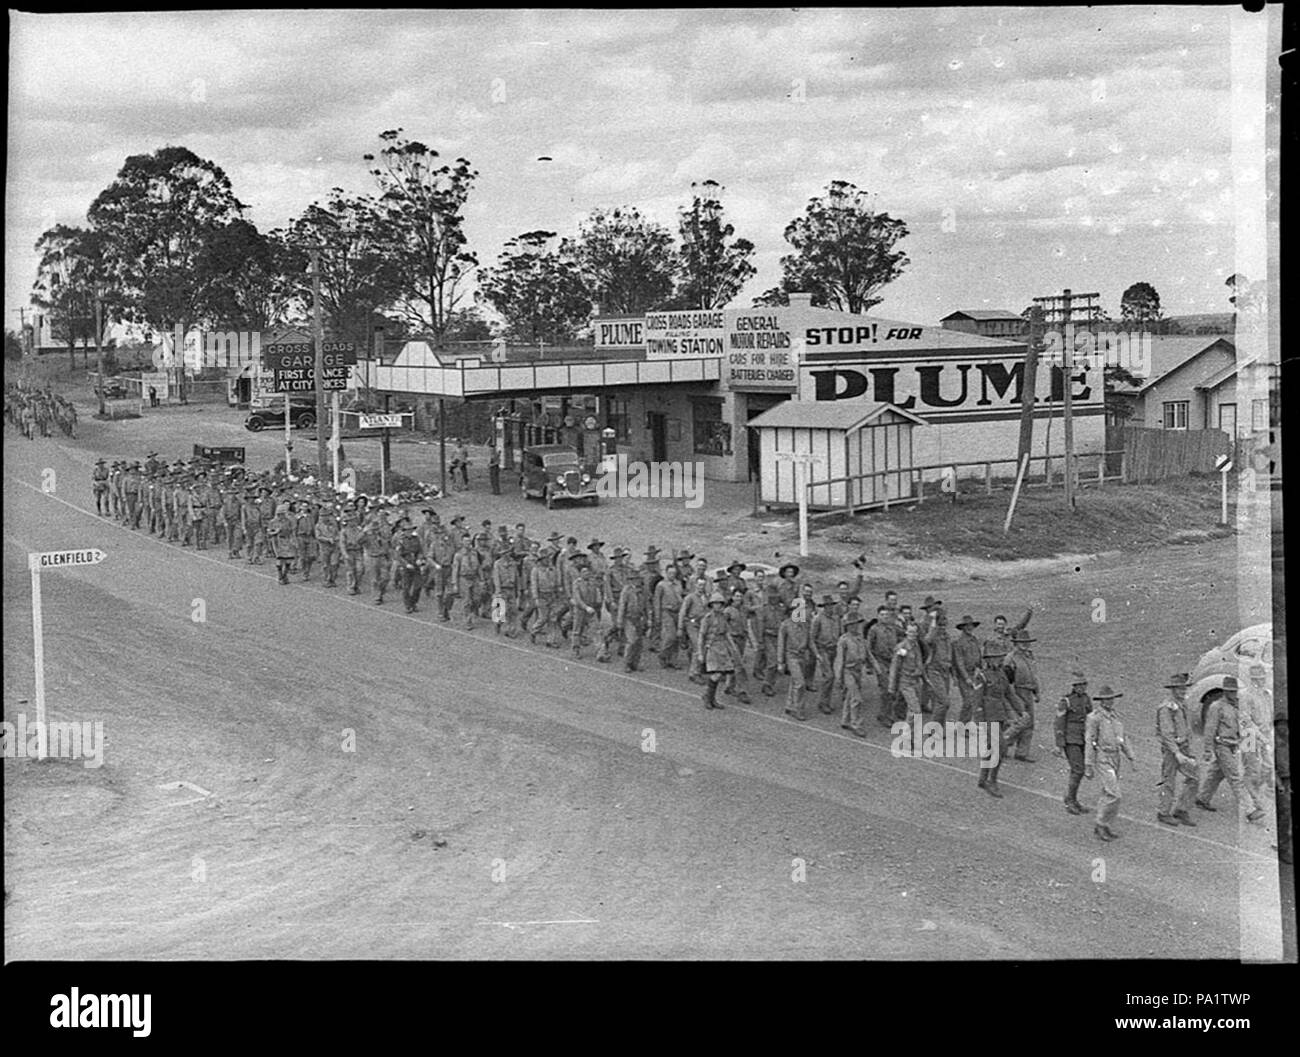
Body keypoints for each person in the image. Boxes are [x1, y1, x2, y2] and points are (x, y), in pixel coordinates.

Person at [1196, 676, 1267, 822]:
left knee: (1216, 773)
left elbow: (1248, 724)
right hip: (1222, 745)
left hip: (1233, 745)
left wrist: (1261, 738)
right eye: (1229, 691)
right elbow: (1210, 729)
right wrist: (1208, 750)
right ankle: (1250, 810)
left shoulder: (1238, 706)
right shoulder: (1217, 707)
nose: (1232, 694)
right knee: (1236, 778)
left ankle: (1202, 798)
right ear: (1224, 691)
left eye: (1234, 691)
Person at [1084, 685, 1136, 841]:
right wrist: (1088, 764)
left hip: (1115, 757)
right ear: (1101, 701)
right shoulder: (1094, 718)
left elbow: (1123, 738)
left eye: (1111, 698)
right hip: (1103, 757)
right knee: (1114, 794)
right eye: (1106, 699)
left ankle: (1103, 825)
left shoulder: (1115, 716)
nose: (1109, 701)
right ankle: (1101, 823)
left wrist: (1131, 756)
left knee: (1108, 793)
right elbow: (1090, 740)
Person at [974, 641, 1024, 798]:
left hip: (999, 716)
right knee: (1001, 749)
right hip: (988, 718)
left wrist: (1021, 711)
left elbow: (1009, 694)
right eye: (996, 658)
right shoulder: (981, 676)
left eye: (1000, 657)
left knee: (991, 747)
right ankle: (992, 781)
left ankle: (983, 778)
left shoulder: (1001, 674)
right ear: (988, 660)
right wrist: (980, 721)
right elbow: (976, 701)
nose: (1000, 660)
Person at [1154, 673, 1199, 827]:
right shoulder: (1166, 708)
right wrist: (1177, 753)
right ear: (1172, 690)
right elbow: (1167, 734)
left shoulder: (1182, 705)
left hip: (1184, 748)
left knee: (1194, 778)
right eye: (1179, 688)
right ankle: (1163, 812)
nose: (1182, 690)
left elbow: (1187, 729)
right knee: (1169, 781)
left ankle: (1181, 809)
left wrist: (1189, 751)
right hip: (1172, 750)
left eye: (1184, 687)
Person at [1053, 670, 1093, 815]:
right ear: (1074, 686)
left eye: (1084, 684)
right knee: (1078, 769)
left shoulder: (1086, 699)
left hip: (1083, 738)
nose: (1082, 687)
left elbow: (1090, 718)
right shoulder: (1066, 701)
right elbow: (1059, 723)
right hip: (1070, 739)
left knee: (1079, 770)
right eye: (1079, 685)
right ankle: (1070, 800)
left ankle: (1073, 799)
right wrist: (1059, 744)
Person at [1005, 629, 1040, 762]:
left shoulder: (1030, 656)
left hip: (1028, 692)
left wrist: (1037, 691)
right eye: (1022, 642)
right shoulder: (1010, 658)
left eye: (1027, 642)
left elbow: (1034, 675)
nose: (1025, 645)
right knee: (1019, 722)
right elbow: (1007, 679)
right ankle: (1002, 746)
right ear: (1016, 643)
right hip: (1017, 692)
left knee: (1029, 723)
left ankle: (1022, 752)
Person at [778, 598, 816, 722]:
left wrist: (817, 654)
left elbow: (810, 641)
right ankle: (798, 709)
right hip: (792, 657)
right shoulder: (785, 625)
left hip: (802, 657)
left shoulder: (805, 624)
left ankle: (789, 705)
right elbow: (781, 644)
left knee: (795, 682)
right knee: (800, 683)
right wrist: (780, 662)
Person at [696, 591, 734, 710]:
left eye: (720, 604)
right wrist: (700, 653)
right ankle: (708, 697)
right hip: (711, 647)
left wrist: (733, 648)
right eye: (715, 603)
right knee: (716, 674)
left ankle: (711, 698)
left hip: (722, 647)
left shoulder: (723, 617)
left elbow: (727, 633)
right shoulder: (707, 618)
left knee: (721, 673)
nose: (718, 606)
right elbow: (701, 636)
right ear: (711, 605)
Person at [835, 612, 870, 737]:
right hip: (847, 671)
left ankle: (845, 720)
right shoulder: (843, 640)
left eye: (857, 624)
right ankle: (856, 724)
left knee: (850, 696)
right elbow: (839, 660)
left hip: (858, 671)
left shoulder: (861, 639)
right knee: (856, 698)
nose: (855, 626)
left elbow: (869, 655)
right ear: (847, 626)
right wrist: (838, 677)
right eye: (852, 624)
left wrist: (877, 669)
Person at [867, 605, 900, 727]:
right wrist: (872, 665)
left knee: (893, 689)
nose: (885, 617)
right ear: (877, 616)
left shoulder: (893, 629)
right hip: (880, 661)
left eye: (887, 615)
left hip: (892, 662)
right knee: (886, 689)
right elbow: (869, 648)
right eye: (882, 615)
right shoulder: (874, 630)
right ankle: (884, 715)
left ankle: (886, 713)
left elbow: (903, 638)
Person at [616, 567, 649, 673]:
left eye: (638, 579)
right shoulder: (627, 590)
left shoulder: (643, 590)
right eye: (634, 579)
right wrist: (620, 620)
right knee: (631, 641)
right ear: (631, 580)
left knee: (639, 642)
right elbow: (622, 605)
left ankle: (635, 662)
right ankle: (626, 663)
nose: (637, 581)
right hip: (629, 618)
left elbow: (646, 605)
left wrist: (647, 618)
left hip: (639, 618)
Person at [653, 564, 685, 670]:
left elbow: (681, 597)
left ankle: (673, 660)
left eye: (674, 573)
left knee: (677, 638)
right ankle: (663, 655)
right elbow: (656, 601)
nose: (672, 575)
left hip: (678, 612)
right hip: (666, 612)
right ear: (666, 573)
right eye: (670, 573)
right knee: (670, 636)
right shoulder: (661, 585)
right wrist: (657, 616)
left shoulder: (678, 584)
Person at [951, 615, 983, 723]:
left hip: (975, 674)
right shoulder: (958, 643)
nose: (970, 628)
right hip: (964, 676)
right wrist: (966, 678)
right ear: (963, 628)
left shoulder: (974, 640)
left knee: (974, 701)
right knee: (968, 701)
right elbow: (959, 662)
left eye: (971, 626)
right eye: (967, 626)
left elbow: (979, 656)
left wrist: (979, 668)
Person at [569, 559, 602, 657]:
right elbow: (577, 599)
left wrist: (597, 601)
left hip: (591, 609)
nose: (586, 573)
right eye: (584, 572)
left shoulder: (592, 582)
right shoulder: (577, 583)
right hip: (580, 610)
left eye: (587, 571)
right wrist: (585, 607)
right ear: (580, 573)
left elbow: (596, 593)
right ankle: (575, 650)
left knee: (596, 629)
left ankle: (600, 652)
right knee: (577, 630)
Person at [392, 518, 425, 613]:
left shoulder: (416, 539)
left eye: (411, 530)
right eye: (408, 530)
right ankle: (408, 605)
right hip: (405, 565)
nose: (410, 532)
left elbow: (420, 551)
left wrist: (419, 558)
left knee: (418, 586)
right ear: (404, 531)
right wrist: (406, 564)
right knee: (406, 587)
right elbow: (398, 555)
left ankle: (414, 602)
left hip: (415, 564)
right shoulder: (401, 540)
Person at [361, 509, 393, 606]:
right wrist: (365, 533)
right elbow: (359, 541)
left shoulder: (384, 531)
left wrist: (388, 557)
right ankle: (377, 596)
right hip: (372, 557)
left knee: (386, 577)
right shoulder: (367, 533)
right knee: (374, 579)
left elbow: (388, 543)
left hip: (383, 556)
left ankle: (381, 591)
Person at [266, 503, 297, 585]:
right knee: (280, 558)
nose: (281, 516)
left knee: (289, 558)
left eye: (283, 514)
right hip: (277, 540)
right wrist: (275, 532)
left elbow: (292, 531)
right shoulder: (273, 522)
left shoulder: (289, 521)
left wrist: (293, 540)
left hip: (287, 540)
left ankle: (285, 574)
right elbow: (269, 532)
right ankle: (280, 575)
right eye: (279, 514)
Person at [340, 510, 366, 594]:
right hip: (349, 551)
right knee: (350, 570)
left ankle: (357, 585)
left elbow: (364, 540)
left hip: (358, 551)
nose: (353, 522)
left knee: (360, 569)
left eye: (354, 520)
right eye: (351, 520)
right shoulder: (344, 531)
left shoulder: (359, 529)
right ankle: (351, 586)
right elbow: (342, 544)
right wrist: (345, 554)